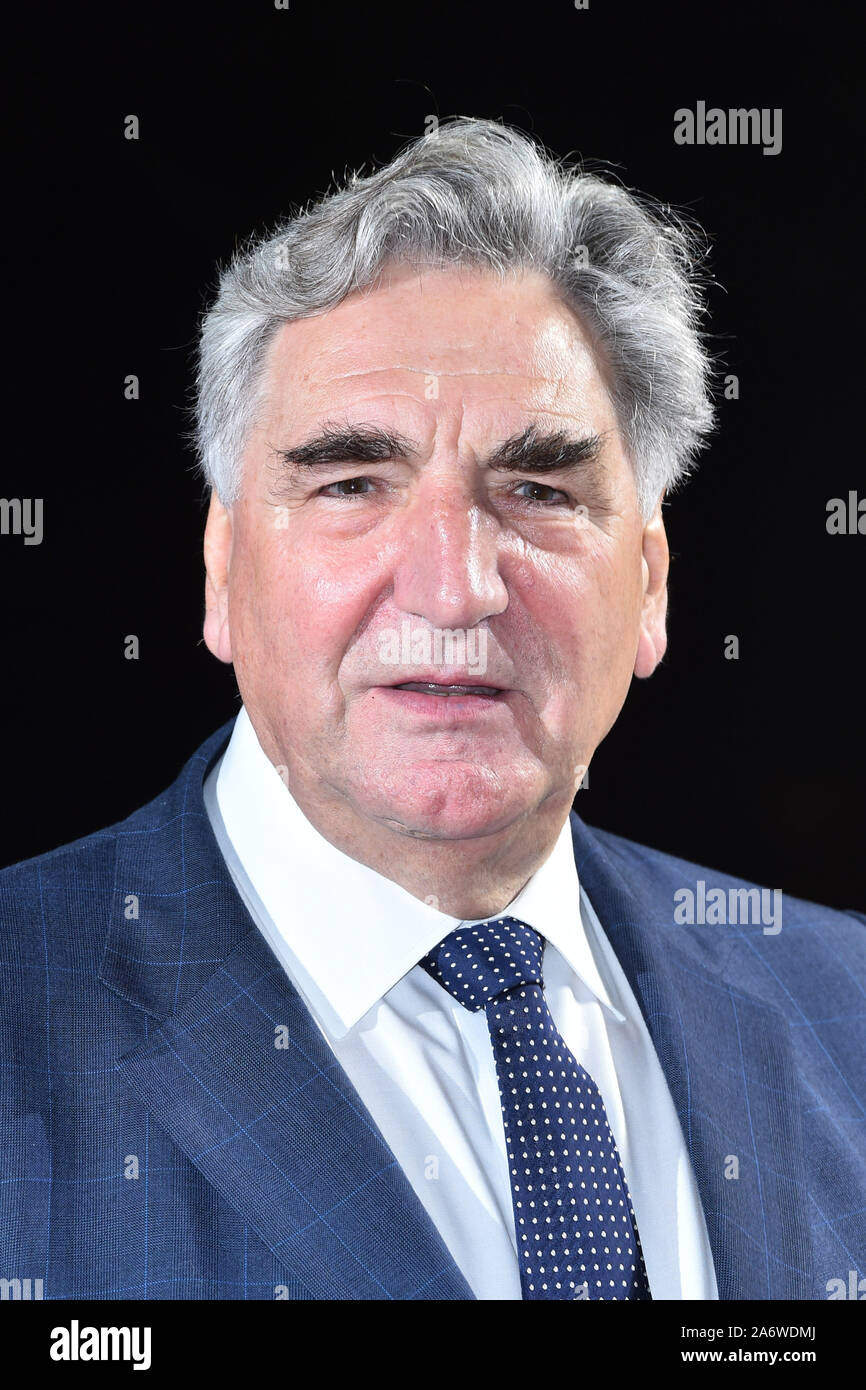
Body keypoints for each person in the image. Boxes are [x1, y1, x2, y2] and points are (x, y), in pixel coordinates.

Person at [1, 118, 862, 1302]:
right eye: (351, 483)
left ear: (652, 580)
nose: (454, 586)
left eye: (537, 487)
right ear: (219, 570)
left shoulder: (845, 1004)